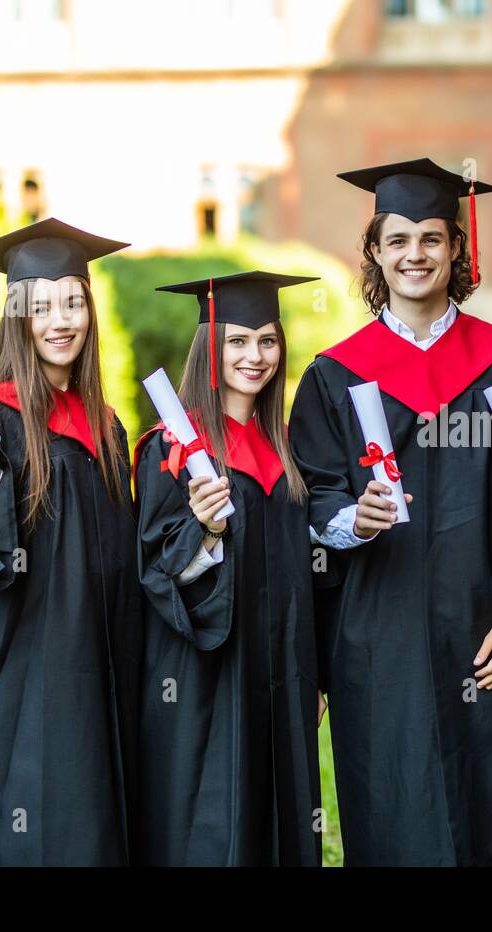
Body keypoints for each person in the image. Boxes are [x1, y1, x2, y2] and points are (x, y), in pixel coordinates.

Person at [288, 158, 492, 865]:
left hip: (481, 627)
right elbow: (309, 499)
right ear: (374, 250)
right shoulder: (334, 375)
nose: (415, 255)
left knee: (482, 800)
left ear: (458, 248)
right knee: (388, 800)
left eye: (432, 238)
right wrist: (353, 518)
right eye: (398, 240)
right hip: (376, 634)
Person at [0, 218, 141, 865]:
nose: (60, 320)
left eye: (73, 301)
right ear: (17, 318)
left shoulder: (108, 428)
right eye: (40, 307)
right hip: (27, 664)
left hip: (100, 656)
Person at [133, 270, 323, 866]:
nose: (255, 356)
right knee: (213, 818)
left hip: (283, 670)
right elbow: (155, 569)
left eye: (267, 340)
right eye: (237, 340)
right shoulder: (171, 450)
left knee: (282, 810)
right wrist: (206, 530)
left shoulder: (289, 450)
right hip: (206, 673)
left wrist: (316, 673)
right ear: (209, 347)